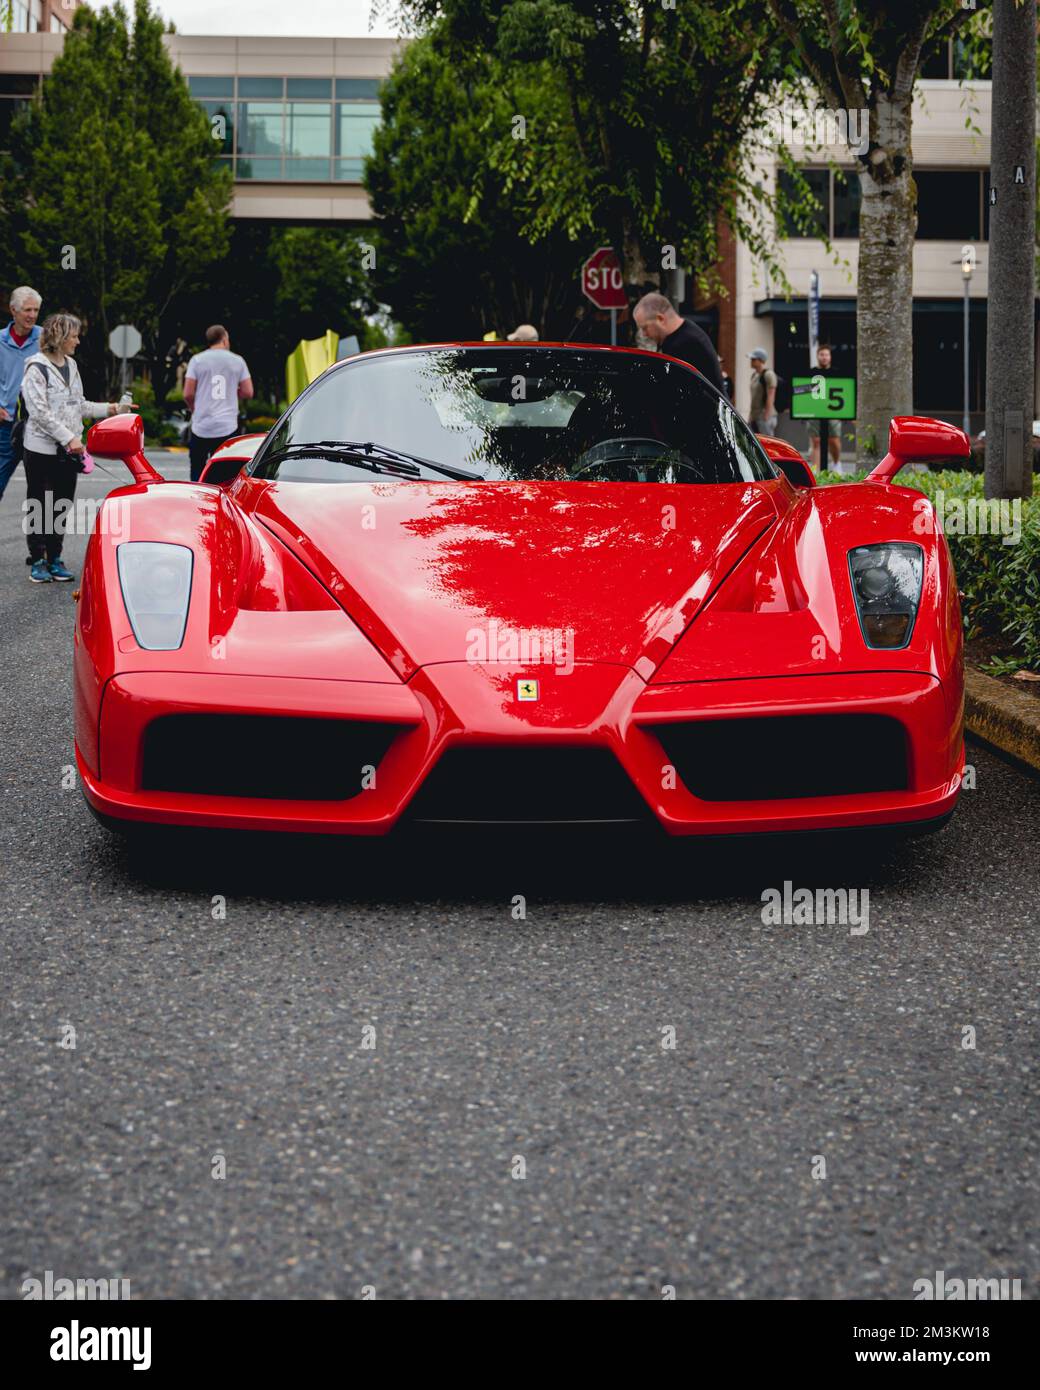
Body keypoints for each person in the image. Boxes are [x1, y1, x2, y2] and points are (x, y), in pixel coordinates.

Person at [21, 312, 134, 583]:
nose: (78, 341)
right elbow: (39, 412)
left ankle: (54, 557)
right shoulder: (35, 368)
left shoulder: (71, 365)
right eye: (74, 335)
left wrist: (112, 408)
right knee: (40, 504)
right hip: (41, 449)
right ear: (60, 337)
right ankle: (37, 560)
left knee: (60, 504)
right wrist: (69, 438)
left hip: (68, 453)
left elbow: (78, 404)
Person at [184, 324, 253, 482]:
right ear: (223, 339)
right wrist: (233, 393)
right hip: (227, 427)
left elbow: (188, 393)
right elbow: (248, 392)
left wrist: (194, 409)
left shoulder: (197, 360)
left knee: (197, 473)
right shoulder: (237, 361)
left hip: (201, 426)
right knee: (226, 476)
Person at [632, 292, 726, 395]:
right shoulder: (686, 334)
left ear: (660, 319)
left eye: (645, 328)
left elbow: (671, 392)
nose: (644, 334)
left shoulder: (683, 345)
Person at [0, 285, 43, 500]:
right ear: (13, 310)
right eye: (27, 310)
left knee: (41, 490)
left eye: (36, 310)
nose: (32, 315)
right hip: (5, 426)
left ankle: (39, 534)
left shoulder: (45, 339)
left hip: (37, 427)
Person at [806, 343, 842, 471]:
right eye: (822, 354)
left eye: (826, 355)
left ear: (830, 357)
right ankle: (816, 471)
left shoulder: (837, 373)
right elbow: (804, 391)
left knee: (834, 440)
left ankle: (837, 463)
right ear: (817, 356)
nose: (824, 357)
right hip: (815, 411)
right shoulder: (811, 373)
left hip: (832, 411)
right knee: (816, 441)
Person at [748, 347, 778, 437]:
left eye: (754, 359)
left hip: (764, 416)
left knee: (767, 444)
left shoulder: (768, 374)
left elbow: (771, 395)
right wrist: (751, 415)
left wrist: (767, 414)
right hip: (755, 416)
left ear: (761, 360)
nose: (751, 361)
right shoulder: (754, 375)